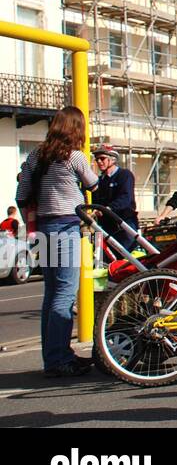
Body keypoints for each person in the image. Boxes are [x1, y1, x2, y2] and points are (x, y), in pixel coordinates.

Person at [15, 106, 99, 377]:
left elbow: (22, 192)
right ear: (77, 129)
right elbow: (94, 184)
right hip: (66, 226)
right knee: (65, 293)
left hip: (43, 227)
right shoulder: (74, 157)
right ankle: (59, 359)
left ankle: (53, 355)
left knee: (51, 293)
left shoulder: (35, 156)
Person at [92, 145, 137, 253]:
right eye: (97, 159)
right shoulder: (100, 181)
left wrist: (107, 209)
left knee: (126, 257)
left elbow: (126, 198)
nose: (99, 161)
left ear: (112, 159)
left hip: (124, 225)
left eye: (102, 158)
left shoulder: (124, 175)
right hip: (107, 226)